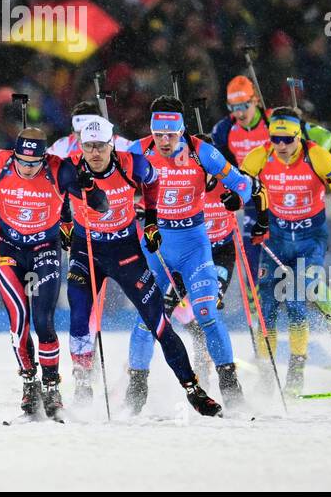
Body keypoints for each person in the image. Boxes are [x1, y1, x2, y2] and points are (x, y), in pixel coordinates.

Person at [60, 114, 222, 416]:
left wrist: (150, 220)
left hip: (125, 251)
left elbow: (152, 183)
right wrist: (65, 220)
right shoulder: (70, 165)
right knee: (80, 317)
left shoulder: (131, 163)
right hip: (86, 252)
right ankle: (82, 381)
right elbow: (54, 187)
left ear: (112, 144)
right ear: (80, 145)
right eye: (88, 146)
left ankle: (192, 388)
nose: (94, 153)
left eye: (100, 146)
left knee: (158, 322)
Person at [122, 96, 257, 412]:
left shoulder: (201, 151)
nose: (165, 142)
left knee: (207, 313)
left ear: (182, 130)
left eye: (171, 135)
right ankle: (136, 388)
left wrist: (236, 198)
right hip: (157, 247)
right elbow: (112, 188)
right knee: (148, 320)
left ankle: (230, 386)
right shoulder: (138, 152)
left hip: (195, 245)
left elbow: (244, 185)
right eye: (159, 134)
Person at [239, 106, 331, 395]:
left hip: (310, 239)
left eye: (287, 140)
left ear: (298, 136)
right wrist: (234, 195)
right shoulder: (260, 155)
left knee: (294, 299)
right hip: (276, 239)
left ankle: (296, 368)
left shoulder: (317, 154)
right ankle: (266, 373)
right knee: (266, 308)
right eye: (275, 139)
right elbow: (238, 187)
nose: (280, 146)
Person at [0, 127, 68, 418]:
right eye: (23, 161)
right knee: (19, 321)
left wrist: (87, 188)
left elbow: (95, 200)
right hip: (9, 249)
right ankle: (29, 383)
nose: (28, 168)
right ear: (15, 155)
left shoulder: (57, 168)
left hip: (46, 247)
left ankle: (52, 386)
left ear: (44, 158)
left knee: (44, 321)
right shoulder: (0, 163)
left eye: (35, 163)